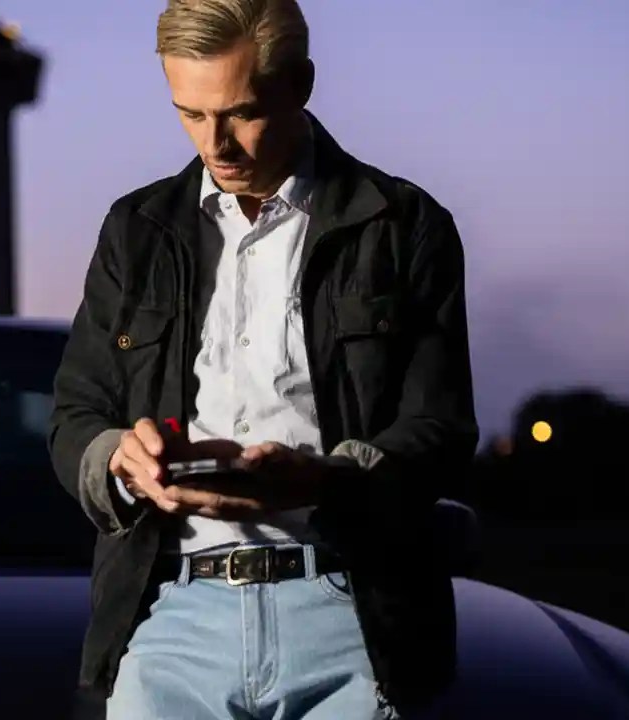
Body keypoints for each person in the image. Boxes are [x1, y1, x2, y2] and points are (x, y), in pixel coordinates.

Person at [48, 1, 477, 717]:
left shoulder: (405, 227)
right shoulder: (135, 231)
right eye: (189, 114)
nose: (216, 145)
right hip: (171, 615)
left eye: (241, 113)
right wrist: (123, 457)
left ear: (300, 84)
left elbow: (440, 430)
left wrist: (325, 480)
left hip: (353, 617)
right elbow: (74, 416)